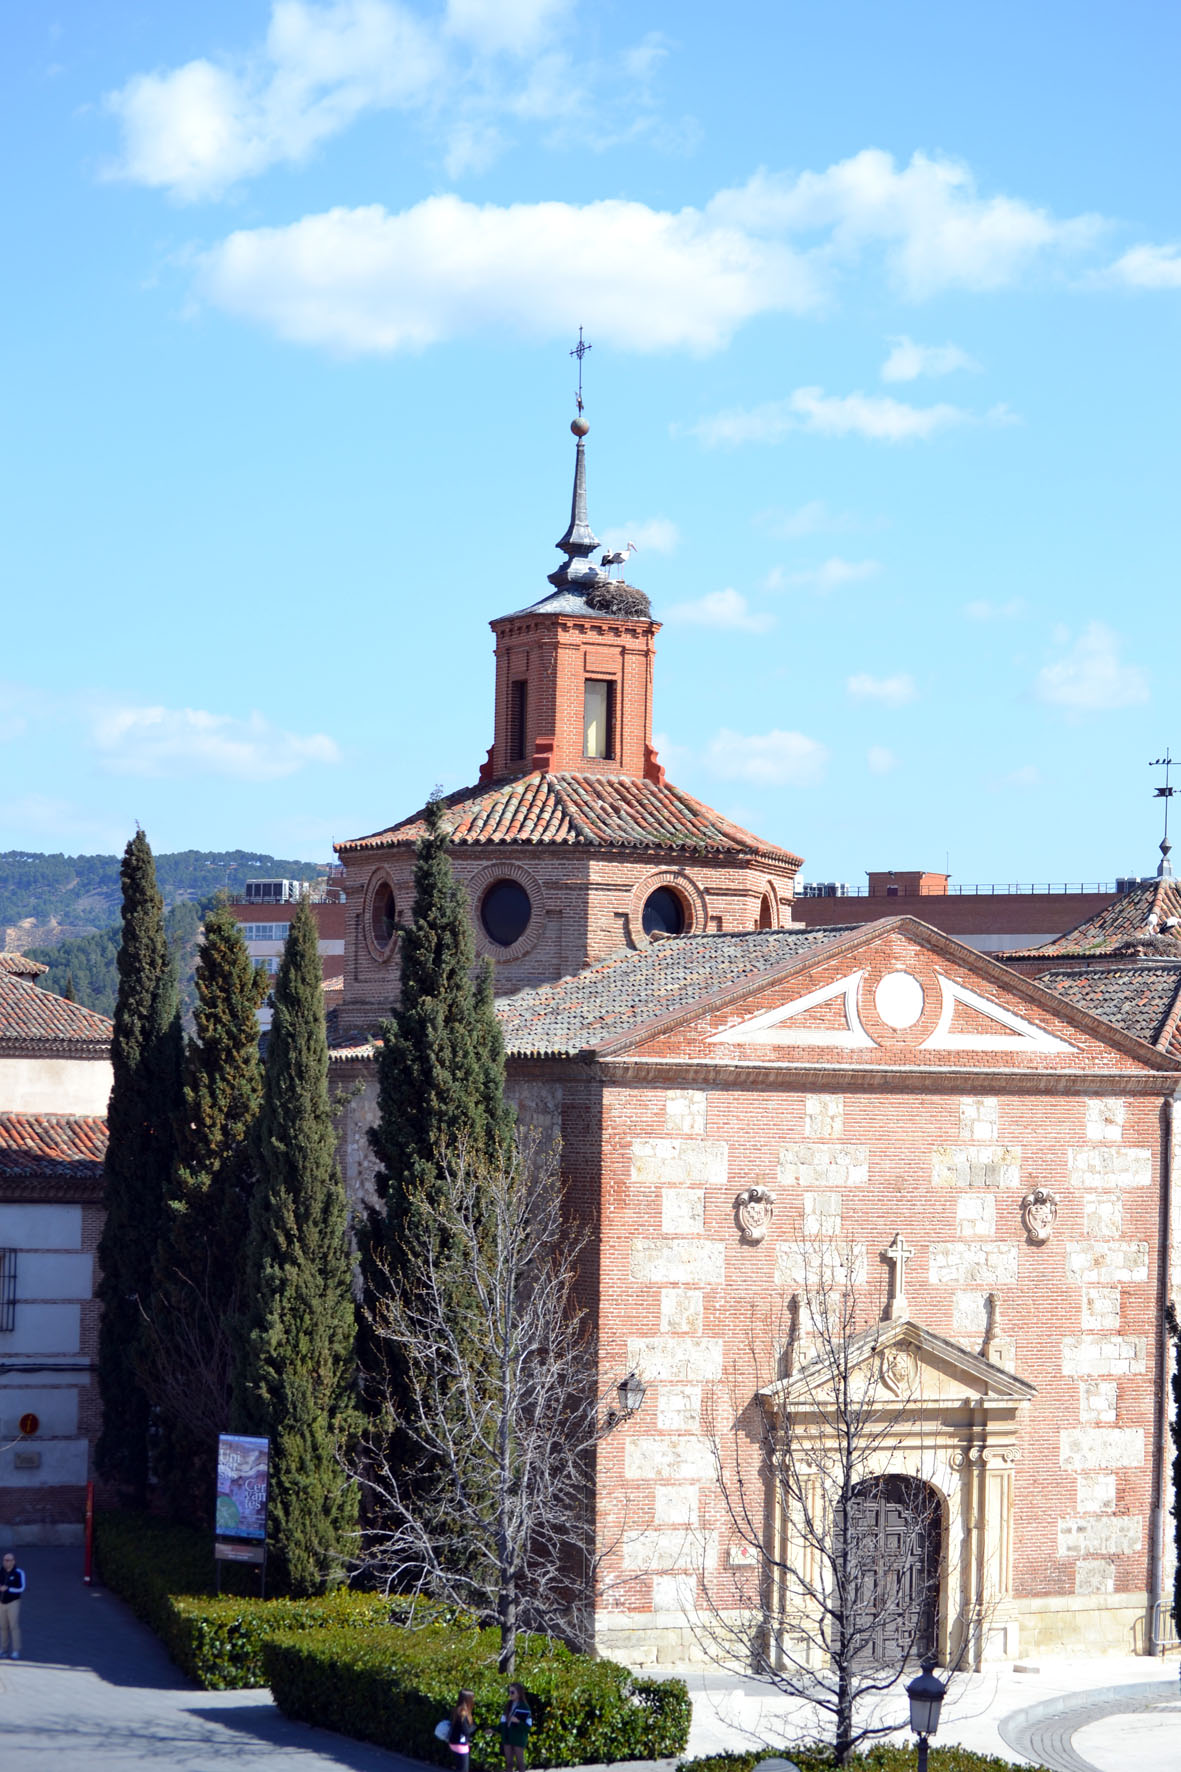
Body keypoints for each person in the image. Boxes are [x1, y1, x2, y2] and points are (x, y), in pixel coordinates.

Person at [499, 1681, 532, 1771]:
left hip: (518, 1738)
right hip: (507, 1737)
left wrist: (518, 1721)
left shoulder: (524, 1707)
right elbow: (502, 1722)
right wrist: (493, 1729)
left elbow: (528, 1726)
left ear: (519, 1693)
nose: (510, 1694)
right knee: (509, 1763)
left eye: (512, 1692)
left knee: (520, 1763)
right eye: (509, 1692)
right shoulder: (508, 1705)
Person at [0, 1552, 25, 1660]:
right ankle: (3, 1649)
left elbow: (22, 1588)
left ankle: (15, 1651)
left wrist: (8, 1589)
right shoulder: (0, 1571)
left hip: (13, 1603)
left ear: (14, 1561)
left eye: (9, 1560)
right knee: (3, 1627)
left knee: (14, 1626)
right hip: (1, 1603)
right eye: (5, 1560)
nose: (6, 1562)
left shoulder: (19, 1573)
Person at [448, 1690, 476, 1765]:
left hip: (454, 1742)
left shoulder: (457, 1709)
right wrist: (474, 1726)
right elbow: (466, 1730)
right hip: (460, 1745)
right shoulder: (463, 1712)